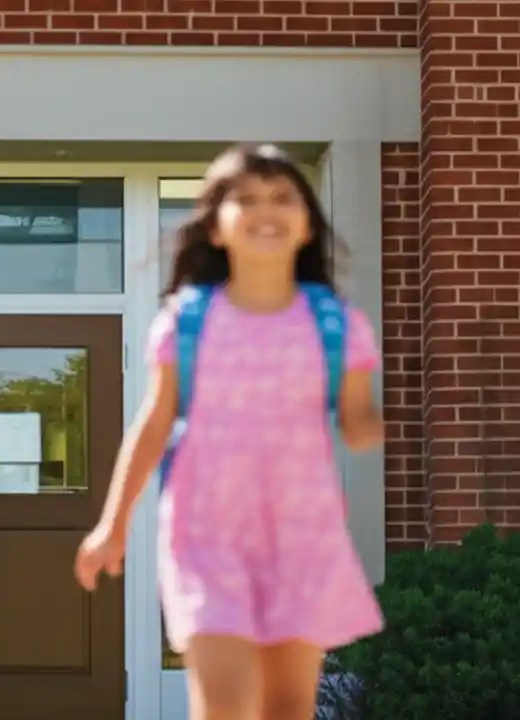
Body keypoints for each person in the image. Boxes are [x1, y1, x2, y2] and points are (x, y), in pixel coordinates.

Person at [74, 144, 385, 720]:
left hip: (302, 539)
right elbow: (153, 425)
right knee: (225, 704)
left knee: (286, 708)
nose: (266, 210)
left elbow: (358, 420)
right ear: (215, 228)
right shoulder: (188, 320)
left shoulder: (334, 324)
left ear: (307, 225)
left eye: (282, 197)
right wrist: (112, 526)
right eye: (246, 199)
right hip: (207, 539)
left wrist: (367, 423)